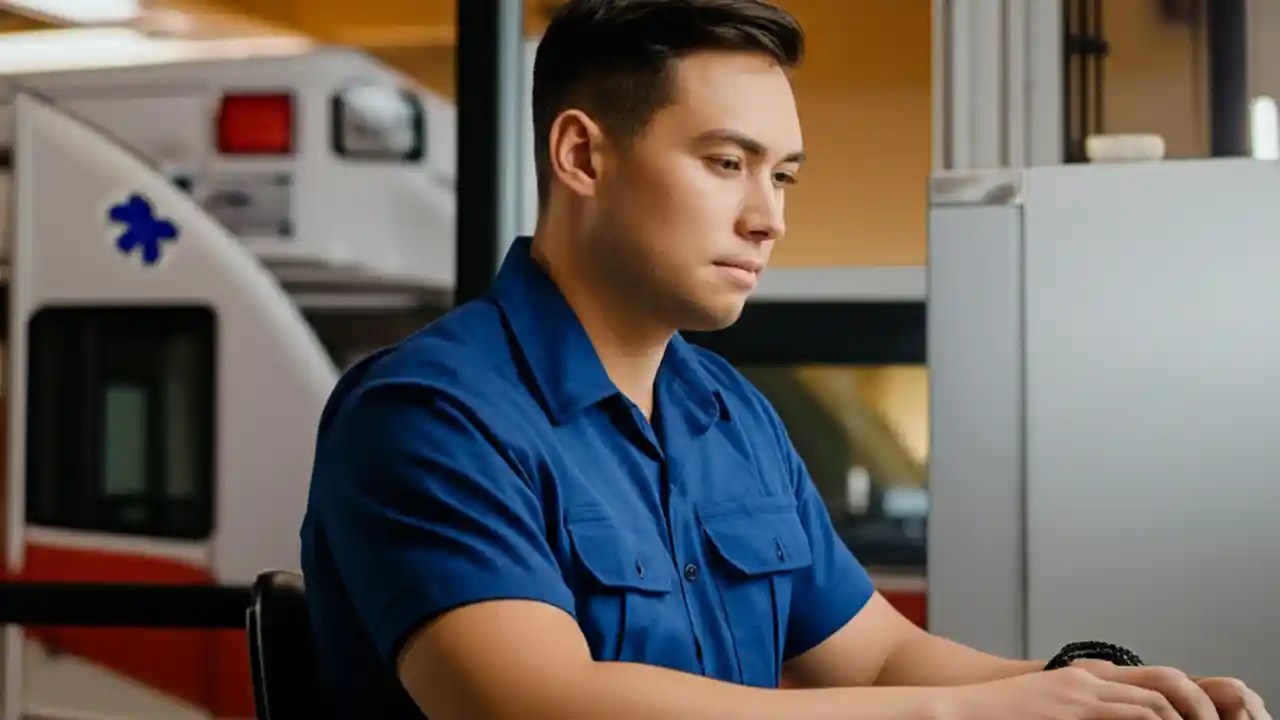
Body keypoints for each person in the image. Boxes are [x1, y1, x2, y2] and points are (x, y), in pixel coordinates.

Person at [298, 1, 1271, 718]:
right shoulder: (426, 417)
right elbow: (537, 705)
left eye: (783, 175)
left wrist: (1099, 694)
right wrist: (968, 714)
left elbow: (877, 661)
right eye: (726, 164)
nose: (768, 217)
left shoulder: (728, 415)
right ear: (581, 157)